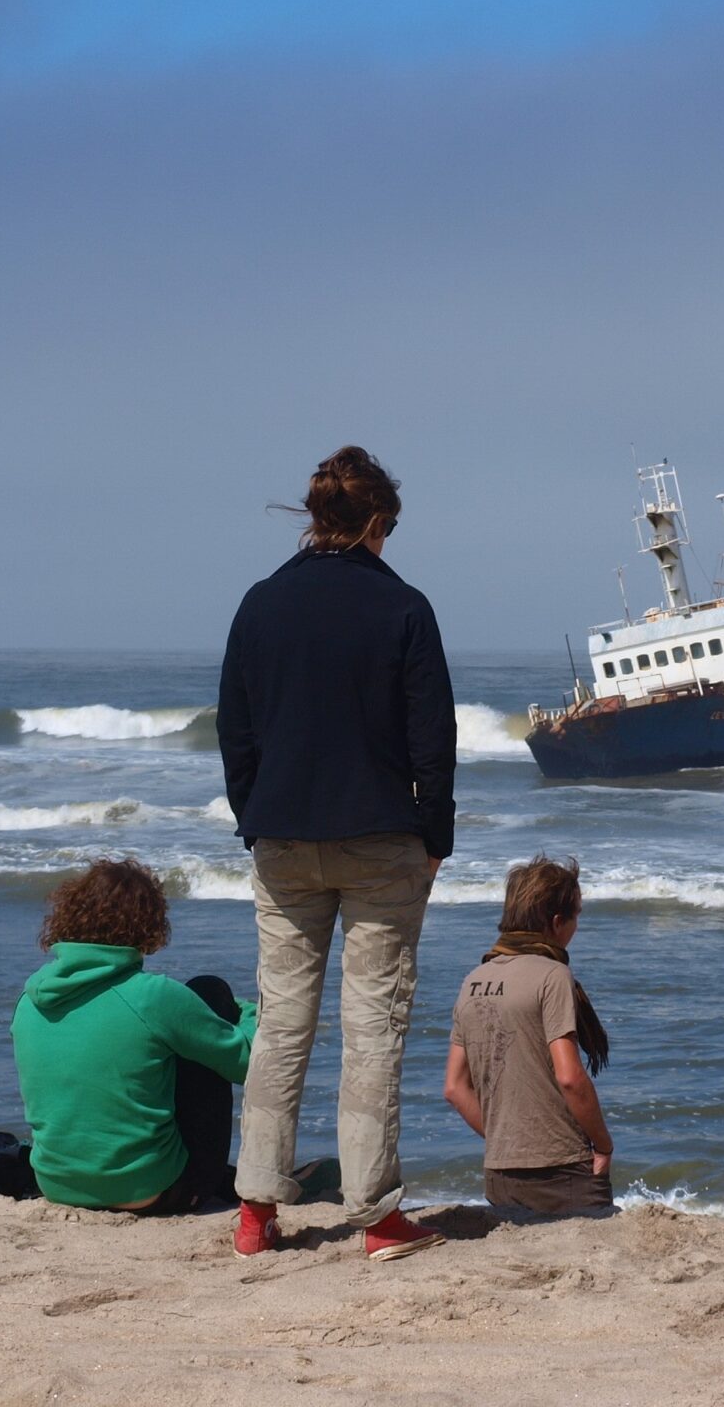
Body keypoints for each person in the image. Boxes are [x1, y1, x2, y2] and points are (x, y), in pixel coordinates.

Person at [218, 445, 457, 1260]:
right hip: (382, 837)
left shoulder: (259, 605)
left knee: (281, 1023)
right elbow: (434, 739)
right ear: (377, 522)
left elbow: (236, 730)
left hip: (283, 837)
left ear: (317, 519)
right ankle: (375, 1215)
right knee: (373, 1026)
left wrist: (253, 813)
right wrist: (437, 836)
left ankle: (256, 1208)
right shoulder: (404, 609)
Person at [11, 859, 256, 1213]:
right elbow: (248, 1063)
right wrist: (249, 1013)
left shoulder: (28, 1000)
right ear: (149, 925)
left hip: (56, 1184)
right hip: (152, 1193)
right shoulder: (153, 996)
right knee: (209, 991)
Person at [444, 856, 615, 1216]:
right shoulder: (553, 976)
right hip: (562, 1168)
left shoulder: (473, 981)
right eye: (576, 916)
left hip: (500, 1172)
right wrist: (603, 1146)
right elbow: (569, 1077)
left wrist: (505, 1140)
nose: (576, 928)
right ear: (556, 922)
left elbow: (455, 1088)